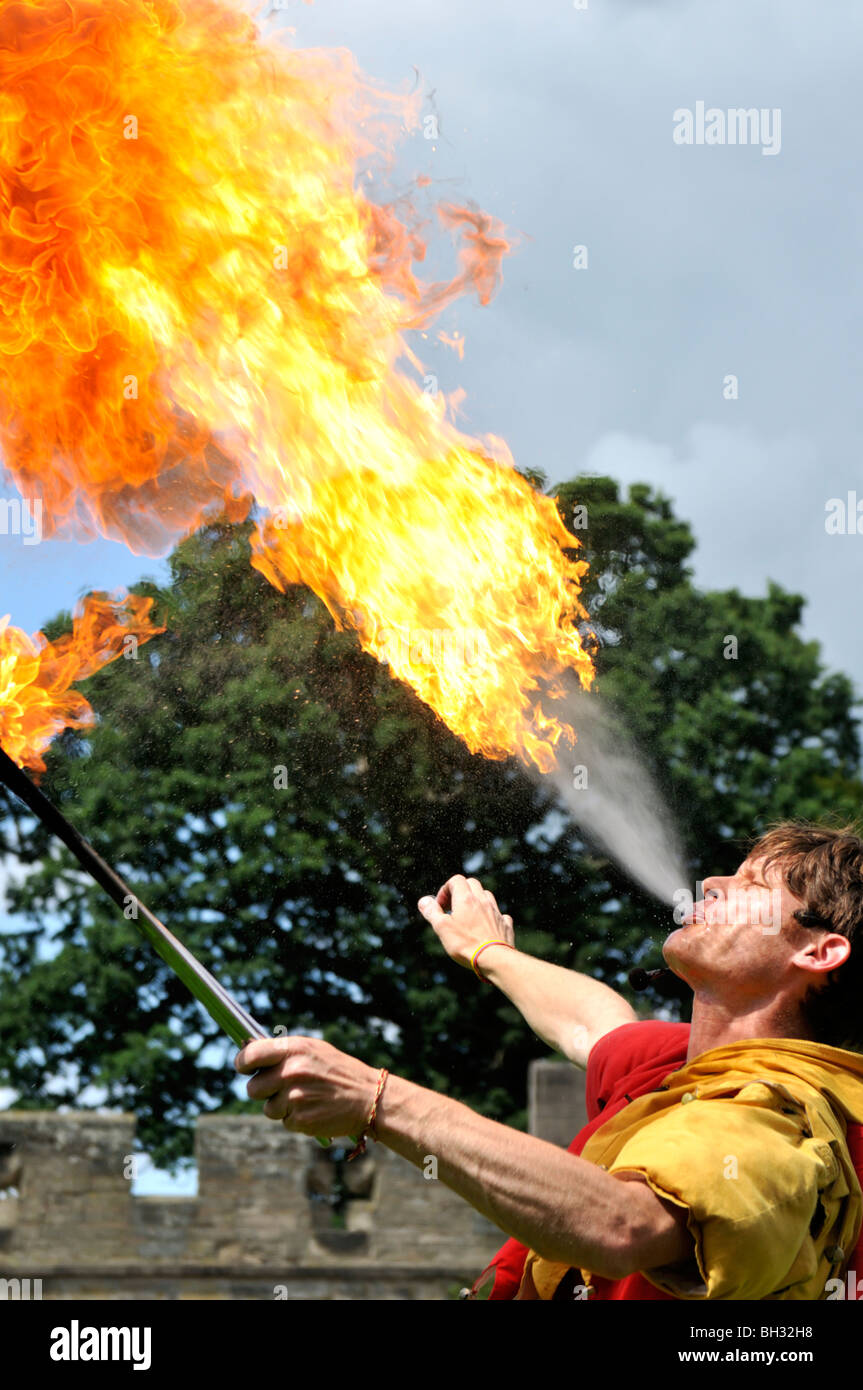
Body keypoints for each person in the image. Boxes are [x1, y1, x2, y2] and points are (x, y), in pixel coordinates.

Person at [235, 821, 863, 1300]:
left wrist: (378, 1099)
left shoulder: (779, 1119)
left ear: (818, 952)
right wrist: (488, 953)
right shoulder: (673, 1068)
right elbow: (594, 1022)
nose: (712, 883)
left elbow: (623, 1225)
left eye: (752, 886)